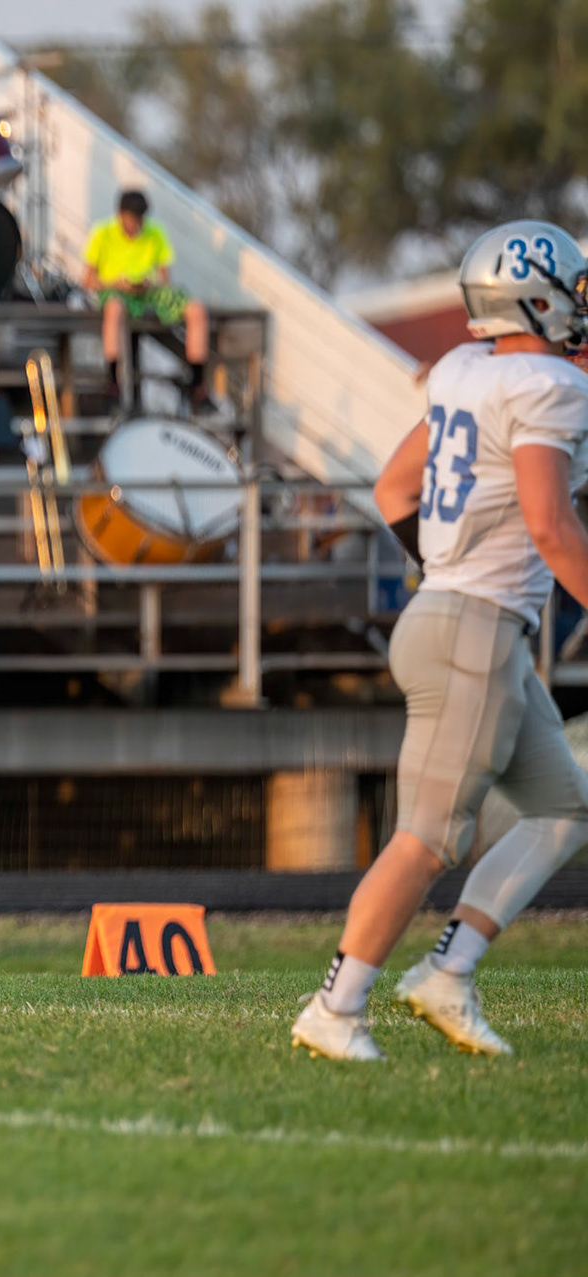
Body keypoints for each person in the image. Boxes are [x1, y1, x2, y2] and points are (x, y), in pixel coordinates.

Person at [291, 221, 588, 1062]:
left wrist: (449, 567)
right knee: (428, 837)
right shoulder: (548, 387)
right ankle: (336, 1006)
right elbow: (551, 525)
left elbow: (393, 486)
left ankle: (449, 972)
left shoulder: (464, 369)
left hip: (447, 614)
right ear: (536, 298)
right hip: (474, 628)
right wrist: (470, 582)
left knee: (566, 808)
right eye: (572, 290)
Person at [82, 189, 210, 409]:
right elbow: (88, 280)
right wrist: (116, 283)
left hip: (148, 294)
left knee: (196, 309)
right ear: (120, 215)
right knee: (114, 308)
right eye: (131, 219)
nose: (135, 226)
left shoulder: (156, 233)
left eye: (139, 220)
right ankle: (113, 381)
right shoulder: (101, 233)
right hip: (116, 293)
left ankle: (198, 384)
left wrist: (147, 284)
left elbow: (164, 279)